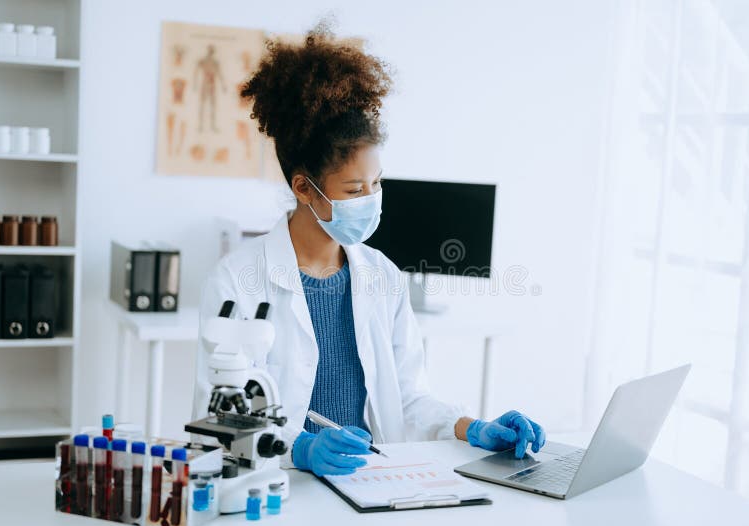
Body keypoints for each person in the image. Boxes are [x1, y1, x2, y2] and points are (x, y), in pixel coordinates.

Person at [194, 22, 545, 476]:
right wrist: (298, 448)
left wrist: (469, 426)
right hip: (281, 484)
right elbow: (220, 414)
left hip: (370, 480)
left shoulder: (383, 276)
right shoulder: (235, 279)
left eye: (376, 183)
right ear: (304, 187)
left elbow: (409, 398)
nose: (371, 199)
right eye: (355, 188)